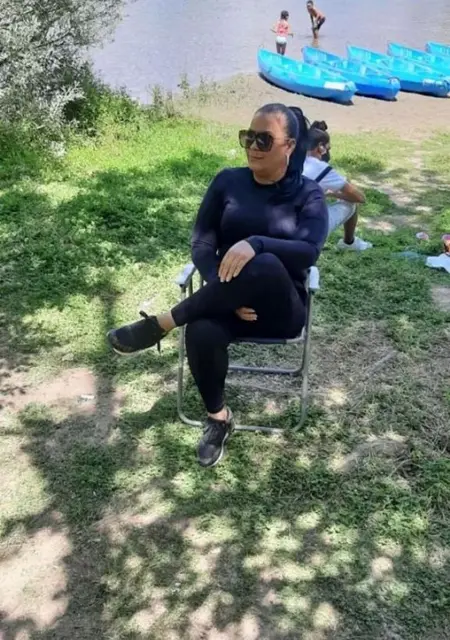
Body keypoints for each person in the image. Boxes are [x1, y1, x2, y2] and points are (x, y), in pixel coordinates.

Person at [107, 104, 328, 468]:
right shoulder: (227, 181)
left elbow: (308, 251)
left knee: (266, 262)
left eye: (264, 139)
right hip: (227, 301)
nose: (253, 146)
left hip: (281, 309)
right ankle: (219, 418)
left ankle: (161, 324)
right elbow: (202, 244)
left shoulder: (309, 194)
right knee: (201, 330)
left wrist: (257, 243)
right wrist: (223, 291)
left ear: (289, 145)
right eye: (248, 137)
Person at [303, 120, 372, 251]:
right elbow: (360, 198)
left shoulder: (288, 160)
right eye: (328, 148)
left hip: (281, 223)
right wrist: (332, 193)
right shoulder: (322, 169)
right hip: (308, 231)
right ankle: (349, 243)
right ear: (321, 147)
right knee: (350, 203)